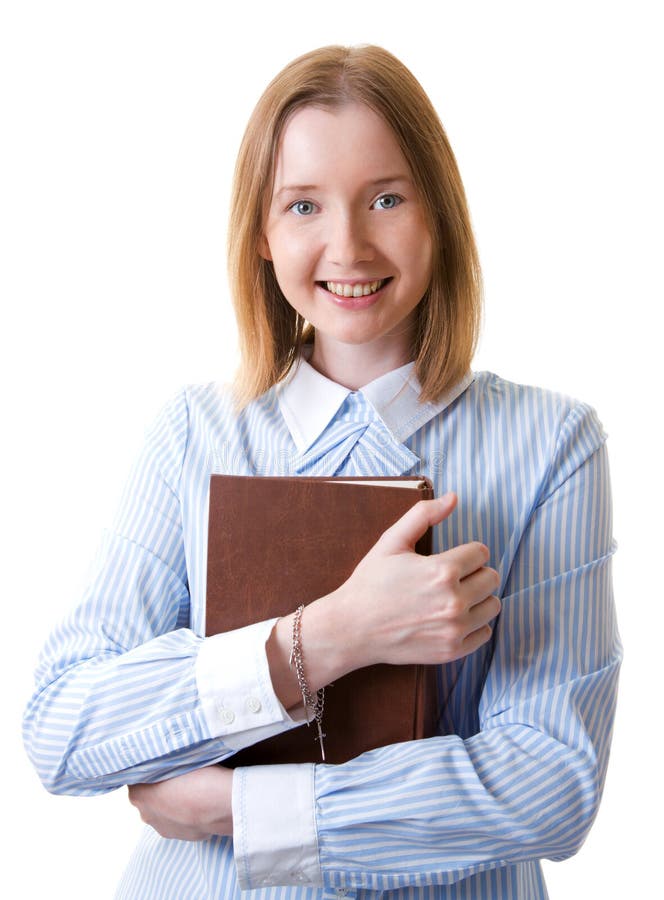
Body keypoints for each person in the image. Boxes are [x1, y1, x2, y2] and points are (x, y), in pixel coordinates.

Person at [23, 44, 621, 900]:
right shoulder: (193, 435)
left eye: (386, 197)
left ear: (438, 214)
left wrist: (243, 807)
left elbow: (551, 784)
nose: (348, 245)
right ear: (261, 235)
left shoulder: (551, 444)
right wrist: (329, 638)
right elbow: (64, 730)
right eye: (303, 205)